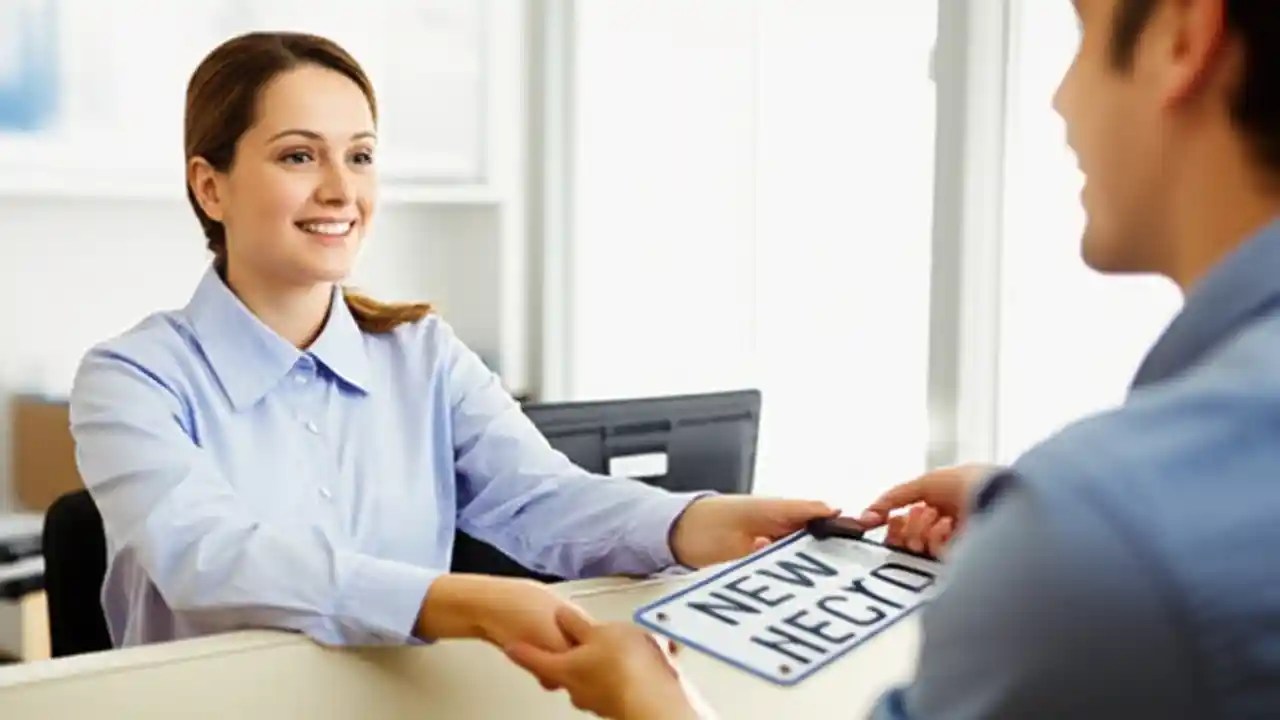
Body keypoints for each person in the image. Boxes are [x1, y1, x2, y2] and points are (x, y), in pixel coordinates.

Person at [504, 0, 1280, 716]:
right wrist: (1024, 517)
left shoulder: (1105, 527)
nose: (1059, 99)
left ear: (1183, 38)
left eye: (1082, 33)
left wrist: (652, 701)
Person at [68, 31, 837, 653]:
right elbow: (211, 558)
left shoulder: (423, 355)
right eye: (299, 155)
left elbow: (542, 498)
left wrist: (698, 523)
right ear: (211, 186)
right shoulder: (133, 378)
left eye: (360, 155)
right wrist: (447, 601)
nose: (341, 189)